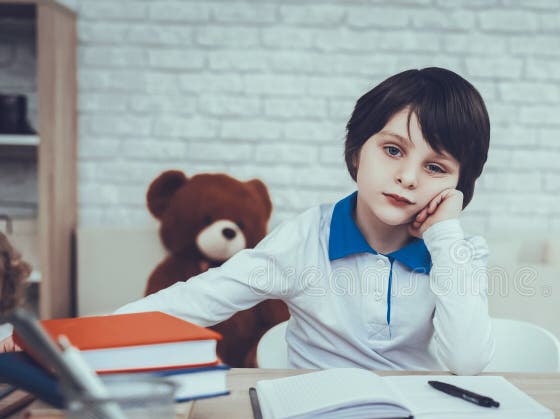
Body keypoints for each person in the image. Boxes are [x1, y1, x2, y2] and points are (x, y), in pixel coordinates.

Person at [2, 67, 495, 375]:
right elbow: (189, 303)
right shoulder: (303, 241)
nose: (408, 177)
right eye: (393, 150)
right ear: (356, 152)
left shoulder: (456, 252)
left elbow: (468, 362)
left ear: (458, 186)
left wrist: (444, 235)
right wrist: (53, 342)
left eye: (435, 167)